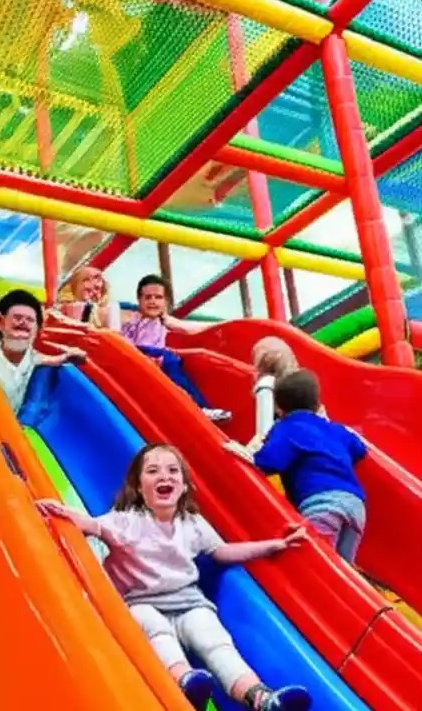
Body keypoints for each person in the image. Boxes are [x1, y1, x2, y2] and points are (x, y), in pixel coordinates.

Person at [36, 443, 312, 711]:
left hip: (189, 603)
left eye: (172, 471)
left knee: (214, 641)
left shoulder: (192, 523)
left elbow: (220, 551)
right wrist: (61, 512)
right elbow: (92, 525)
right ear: (138, 485)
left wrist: (270, 546)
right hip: (140, 603)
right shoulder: (126, 520)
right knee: (157, 632)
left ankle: (261, 698)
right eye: (153, 471)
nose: (164, 476)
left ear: (184, 485)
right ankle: (185, 683)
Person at [250, 370, 367, 564]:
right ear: (317, 404)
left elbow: (269, 461)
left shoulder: (287, 428)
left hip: (323, 505)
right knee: (343, 568)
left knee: (313, 562)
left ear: (279, 409)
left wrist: (257, 448)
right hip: (356, 505)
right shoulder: (333, 428)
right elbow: (360, 449)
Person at [121, 274, 229, 423]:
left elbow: (192, 329)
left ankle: (197, 407)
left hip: (158, 360)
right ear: (139, 301)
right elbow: (111, 324)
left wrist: (225, 327)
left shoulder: (164, 320)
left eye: (158, 297)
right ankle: (199, 407)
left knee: (173, 363)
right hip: (133, 354)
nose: (153, 301)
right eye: (148, 297)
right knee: (170, 359)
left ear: (166, 302)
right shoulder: (132, 317)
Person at [0, 289, 85, 415]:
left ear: (37, 329)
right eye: (17, 318)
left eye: (30, 320)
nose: (23, 323)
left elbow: (55, 359)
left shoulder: (34, 359)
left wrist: (70, 355)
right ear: (0, 322)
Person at [50, 265, 119, 331]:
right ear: (74, 289)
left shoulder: (108, 310)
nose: (93, 292)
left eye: (97, 289)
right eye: (87, 290)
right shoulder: (62, 309)